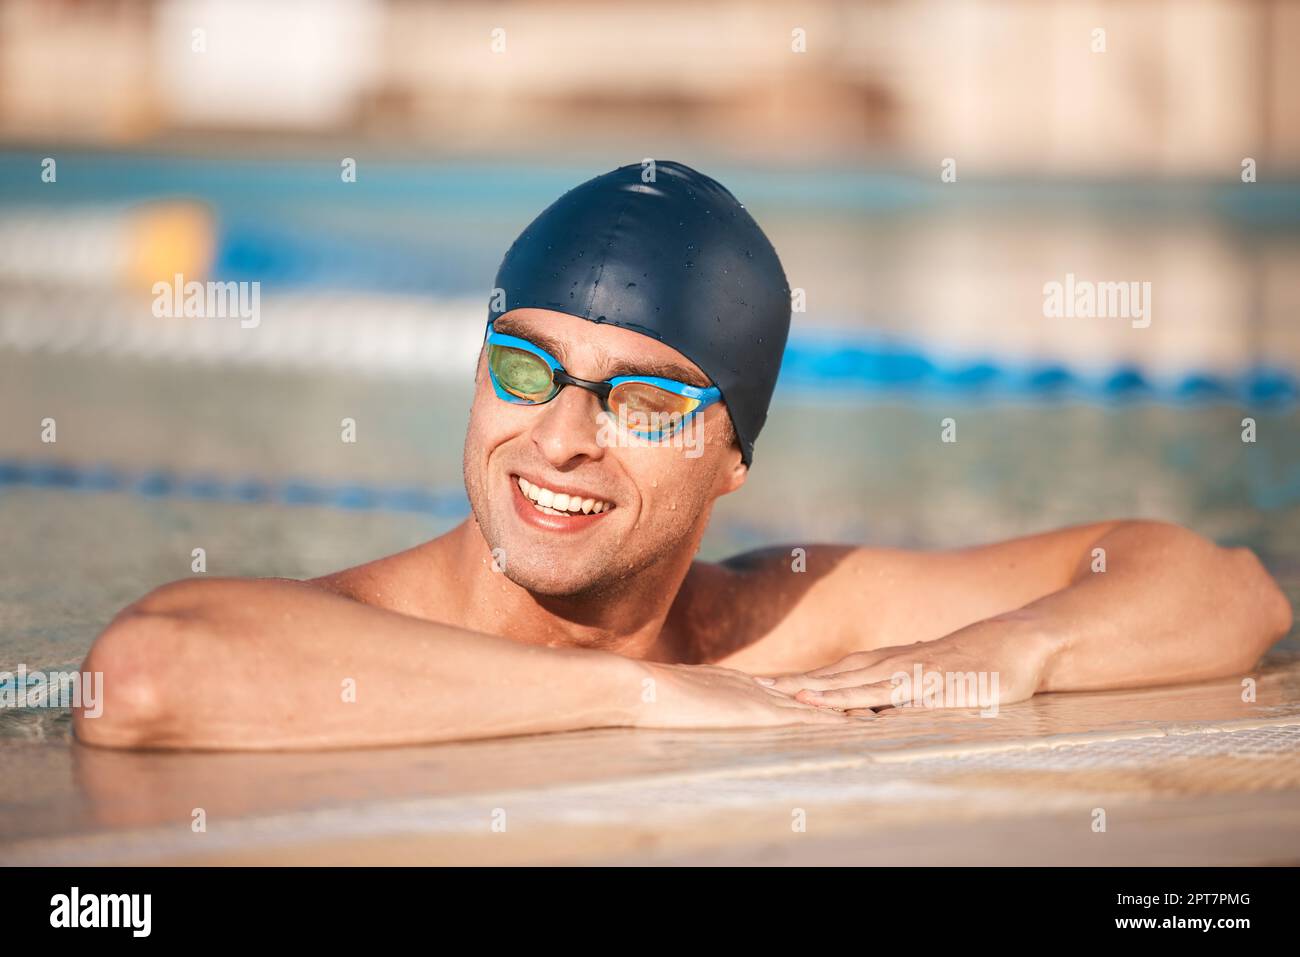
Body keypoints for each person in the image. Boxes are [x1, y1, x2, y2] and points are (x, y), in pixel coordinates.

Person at [74, 161, 1292, 750]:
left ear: (732, 458)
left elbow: (1224, 588)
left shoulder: (777, 622)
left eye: (642, 401)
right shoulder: (362, 629)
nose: (557, 439)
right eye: (521, 370)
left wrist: (1011, 649)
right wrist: (639, 693)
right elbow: (137, 681)